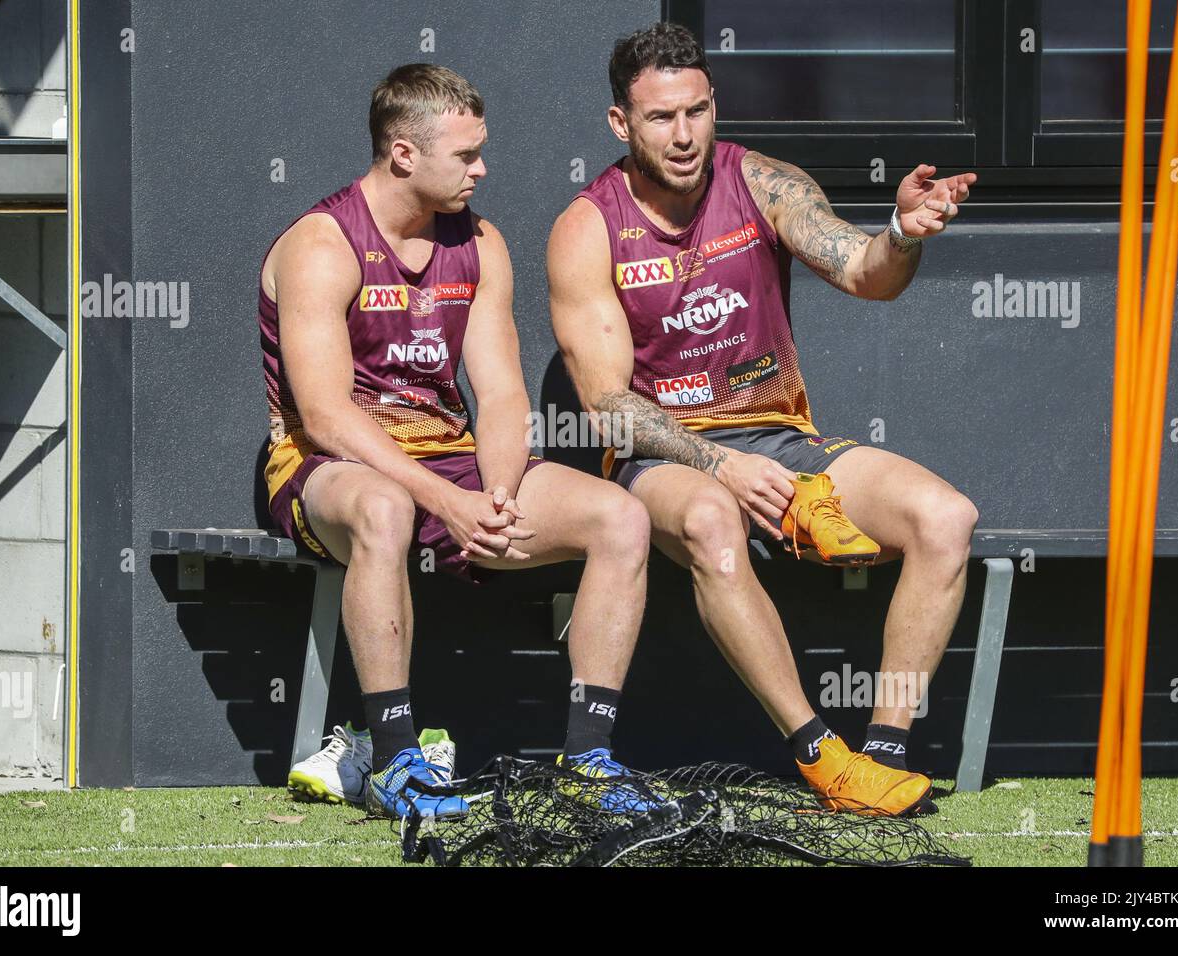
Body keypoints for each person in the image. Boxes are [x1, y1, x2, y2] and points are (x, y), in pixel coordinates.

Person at [547, 23, 979, 816]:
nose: (683, 136)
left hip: (780, 436)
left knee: (947, 518)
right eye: (659, 119)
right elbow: (608, 407)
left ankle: (881, 753)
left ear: (714, 105)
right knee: (714, 519)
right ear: (621, 124)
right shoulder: (588, 227)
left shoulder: (763, 182)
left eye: (697, 111)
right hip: (663, 458)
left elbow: (862, 271)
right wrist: (720, 467)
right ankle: (819, 753)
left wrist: (901, 234)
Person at [261, 64, 653, 818]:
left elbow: (502, 392)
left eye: (482, 152)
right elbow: (327, 414)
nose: (482, 169)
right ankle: (394, 757)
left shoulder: (480, 243)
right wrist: (449, 500)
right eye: (467, 155)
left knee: (622, 517)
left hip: (450, 456)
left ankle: (589, 762)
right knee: (383, 507)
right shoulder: (323, 243)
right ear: (404, 153)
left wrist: (495, 496)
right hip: (325, 463)